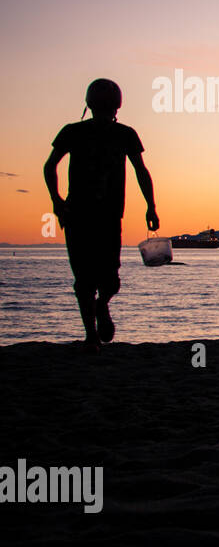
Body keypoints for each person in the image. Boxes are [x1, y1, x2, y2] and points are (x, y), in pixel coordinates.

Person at [43, 78, 160, 348]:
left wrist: (150, 205)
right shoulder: (72, 132)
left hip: (107, 217)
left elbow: (141, 171)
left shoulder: (125, 135)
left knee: (108, 280)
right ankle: (91, 336)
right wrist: (56, 200)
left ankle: (101, 306)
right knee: (85, 279)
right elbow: (50, 166)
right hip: (78, 216)